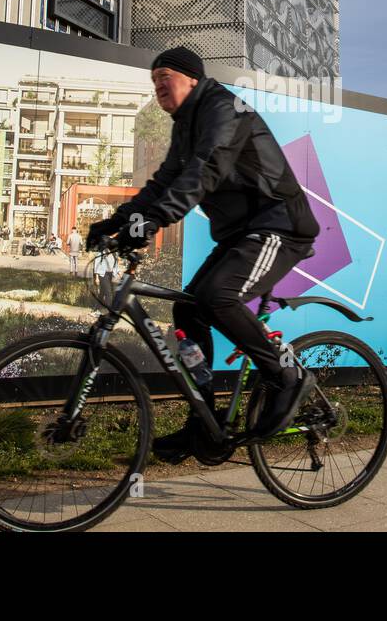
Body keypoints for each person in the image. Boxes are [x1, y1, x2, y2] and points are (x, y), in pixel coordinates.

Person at [87, 47, 320, 463]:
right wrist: (116, 221)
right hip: (239, 235)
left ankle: (285, 376)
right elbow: (164, 183)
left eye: (165, 75)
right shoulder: (185, 125)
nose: (158, 84)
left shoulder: (222, 108)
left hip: (278, 225)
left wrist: (153, 222)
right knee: (190, 311)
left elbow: (206, 168)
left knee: (217, 298)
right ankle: (204, 423)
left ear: (192, 78)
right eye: (153, 78)